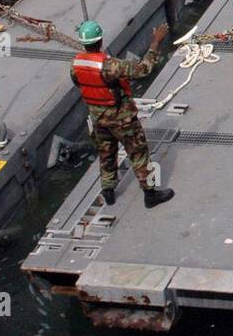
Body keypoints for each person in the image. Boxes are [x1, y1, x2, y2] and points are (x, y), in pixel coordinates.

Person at [71, 19, 175, 209]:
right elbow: (143, 69)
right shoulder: (111, 66)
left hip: (98, 118)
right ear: (100, 42)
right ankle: (150, 195)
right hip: (122, 119)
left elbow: (79, 83)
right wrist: (155, 43)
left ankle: (108, 191)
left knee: (106, 153)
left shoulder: (76, 64)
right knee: (138, 153)